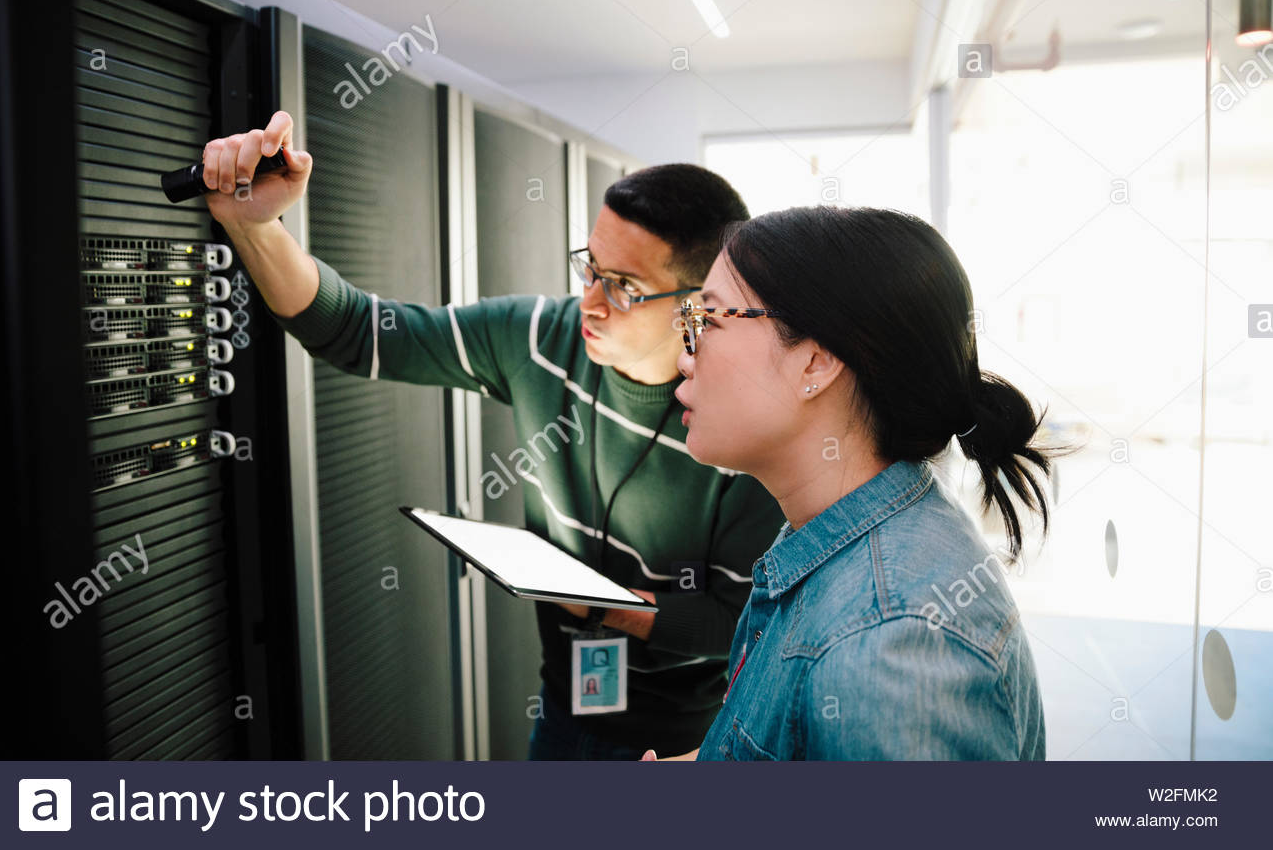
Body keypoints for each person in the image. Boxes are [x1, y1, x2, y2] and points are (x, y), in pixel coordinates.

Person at [198, 111, 785, 760]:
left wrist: (608, 607)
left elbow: (743, 616)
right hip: (564, 707)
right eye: (590, 267)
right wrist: (252, 225)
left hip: (687, 742)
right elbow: (360, 333)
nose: (588, 301)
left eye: (622, 288)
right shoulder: (539, 336)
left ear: (695, 305)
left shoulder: (741, 420)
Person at [646, 205, 1051, 760]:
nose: (683, 357)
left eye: (708, 322)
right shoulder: (829, 535)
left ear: (815, 363)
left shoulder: (889, 645)